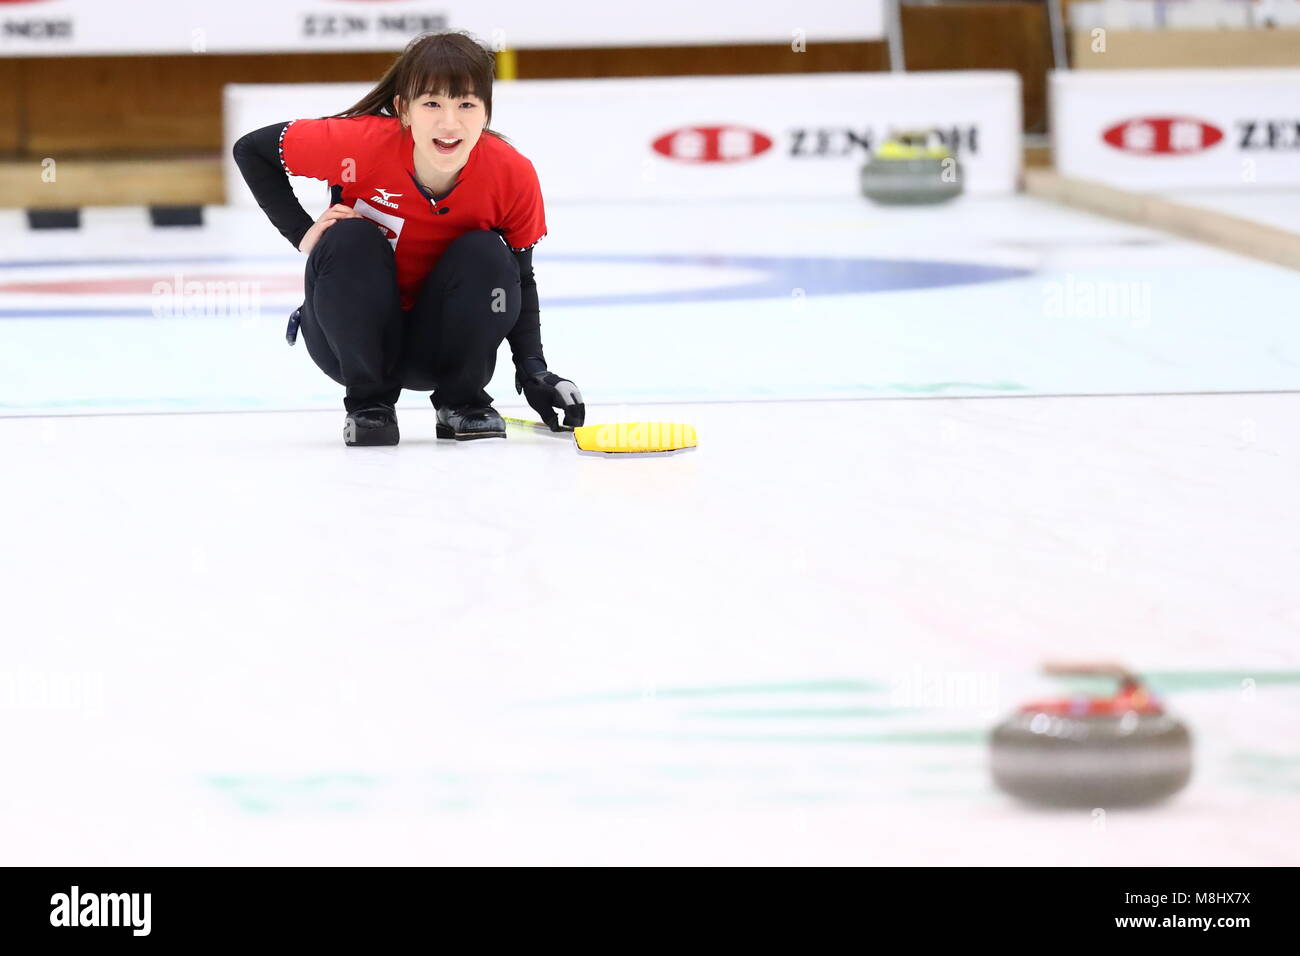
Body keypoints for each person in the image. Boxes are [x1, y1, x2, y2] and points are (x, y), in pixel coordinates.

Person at [232, 30, 585, 445]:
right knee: (349, 238)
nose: (449, 123)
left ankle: (463, 402)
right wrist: (301, 233)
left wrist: (534, 371)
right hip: (345, 344)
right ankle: (369, 405)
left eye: (466, 104)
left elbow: (519, 279)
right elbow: (251, 150)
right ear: (403, 109)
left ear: (486, 113)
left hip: (435, 349)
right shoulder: (357, 143)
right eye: (432, 103)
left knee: (489, 253)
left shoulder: (512, 174)